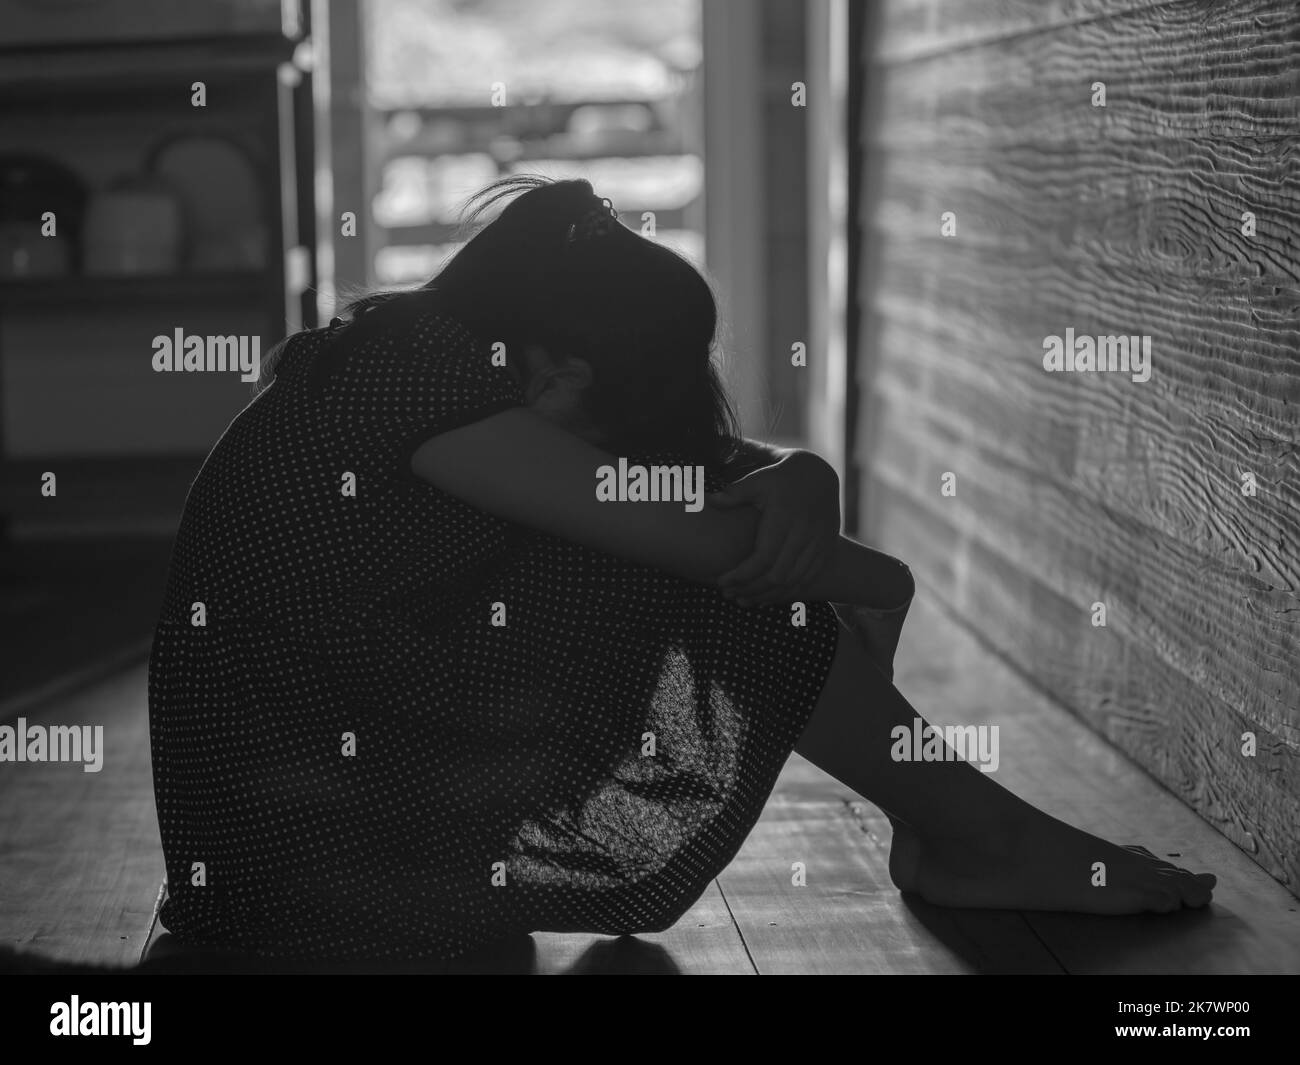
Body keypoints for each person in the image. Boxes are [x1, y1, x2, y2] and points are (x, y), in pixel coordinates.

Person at [147, 175, 1214, 963]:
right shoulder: (417, 374)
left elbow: (696, 482)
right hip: (299, 861)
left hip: (347, 779)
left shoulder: (447, 344)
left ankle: (968, 831)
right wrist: (867, 571)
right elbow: (717, 542)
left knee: (705, 560)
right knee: (735, 588)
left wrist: (800, 471)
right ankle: (973, 835)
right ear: (561, 364)